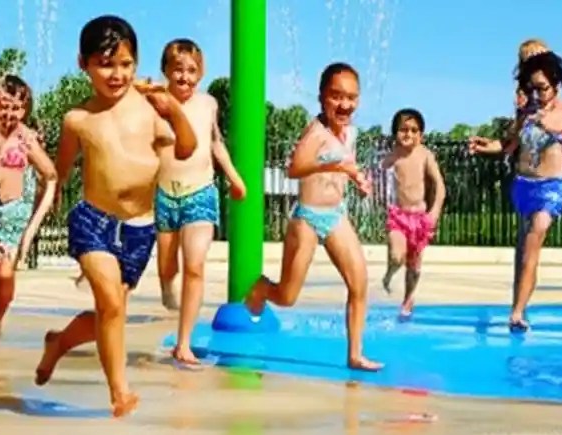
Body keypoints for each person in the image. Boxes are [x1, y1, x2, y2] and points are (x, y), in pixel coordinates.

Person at [34, 15, 196, 416]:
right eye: (105, 64)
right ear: (83, 63)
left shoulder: (150, 109)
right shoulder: (79, 119)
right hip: (94, 221)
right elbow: (62, 165)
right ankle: (119, 391)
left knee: (112, 311)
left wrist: (174, 109)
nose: (117, 73)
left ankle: (59, 343)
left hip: (140, 228)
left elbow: (187, 149)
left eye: (125, 64)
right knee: (109, 302)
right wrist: (51, 189)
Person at [244, 63, 381, 372]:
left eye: (351, 97)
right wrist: (333, 167)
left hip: (336, 215)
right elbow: (294, 168)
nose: (344, 104)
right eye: (336, 96)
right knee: (288, 296)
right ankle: (263, 288)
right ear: (322, 98)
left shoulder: (350, 132)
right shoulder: (315, 132)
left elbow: (346, 166)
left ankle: (356, 354)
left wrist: (359, 179)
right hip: (306, 218)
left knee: (359, 282)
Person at [469, 50, 562, 332]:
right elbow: (508, 145)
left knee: (533, 241)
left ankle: (517, 312)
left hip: (551, 188)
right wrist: (483, 146)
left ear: (558, 86)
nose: (537, 94)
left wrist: (558, 131)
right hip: (523, 186)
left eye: (543, 88)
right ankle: (520, 306)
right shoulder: (526, 113)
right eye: (532, 88)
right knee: (528, 253)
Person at [153, 38, 247, 367]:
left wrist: (234, 178)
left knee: (195, 266)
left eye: (192, 71)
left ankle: (184, 343)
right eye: (177, 70)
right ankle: (166, 283)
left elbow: (216, 144)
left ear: (201, 73)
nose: (185, 77)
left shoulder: (207, 105)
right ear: (165, 70)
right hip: (165, 194)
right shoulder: (156, 102)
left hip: (200, 192)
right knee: (169, 264)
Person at [0, 75, 57, 341]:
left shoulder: (26, 139)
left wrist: (32, 228)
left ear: (26, 109)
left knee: (5, 272)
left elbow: (50, 176)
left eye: (16, 108)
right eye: (3, 106)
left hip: (16, 217)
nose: (9, 113)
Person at [379, 108, 445, 319]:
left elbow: (440, 185)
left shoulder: (425, 155)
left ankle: (408, 299)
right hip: (398, 216)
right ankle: (389, 274)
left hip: (420, 218)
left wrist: (435, 210)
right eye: (403, 130)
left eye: (414, 130)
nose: (408, 134)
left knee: (414, 266)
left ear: (421, 134)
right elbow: (375, 174)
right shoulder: (392, 157)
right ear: (395, 133)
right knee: (397, 255)